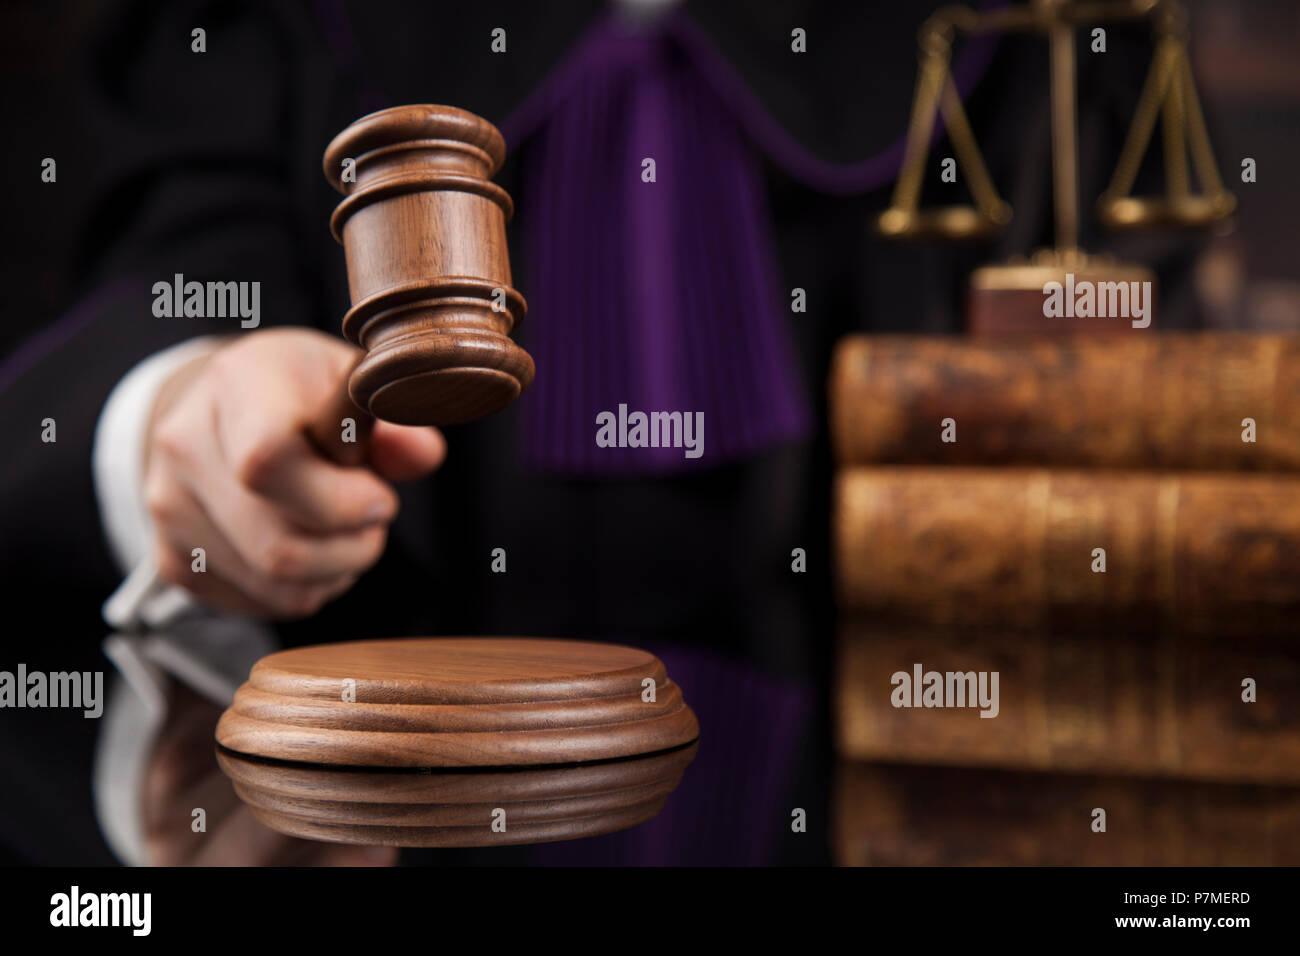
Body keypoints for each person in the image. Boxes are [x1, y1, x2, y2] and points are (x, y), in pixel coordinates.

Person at [1, 0, 1202, 865]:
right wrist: (179, 402)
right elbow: (170, 273)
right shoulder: (264, 26)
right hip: (387, 811)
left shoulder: (1026, 46)